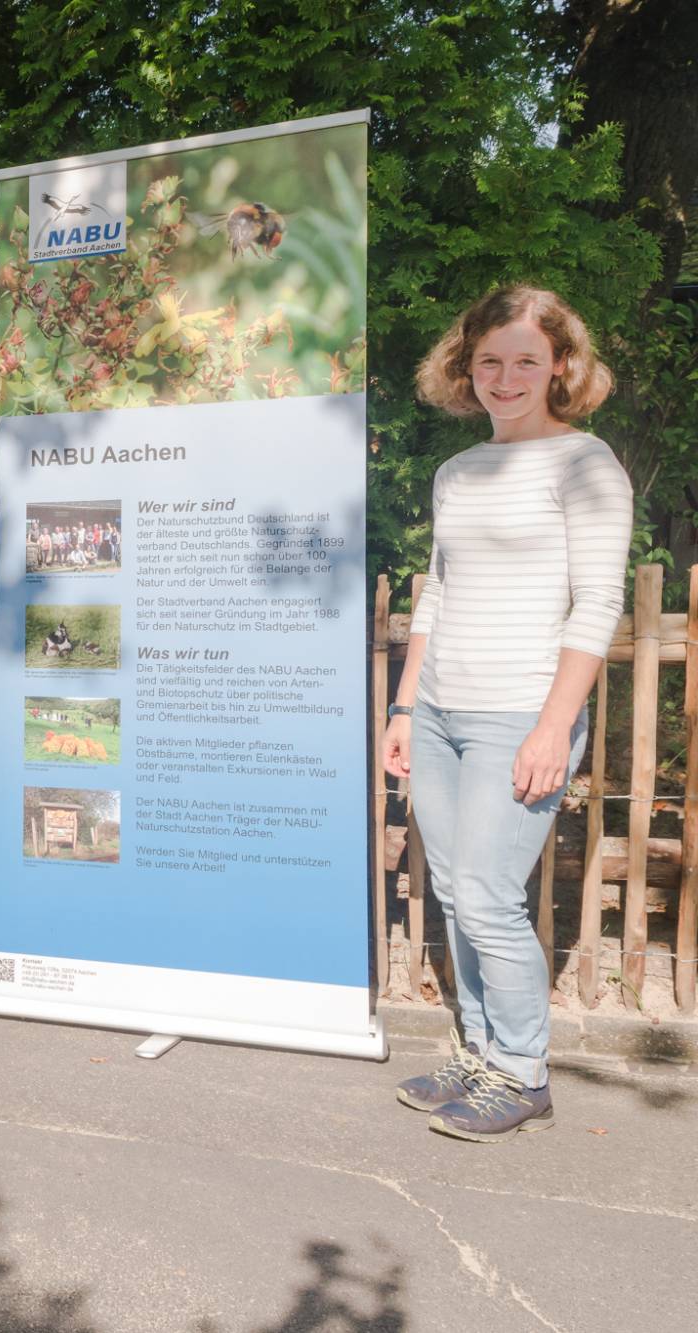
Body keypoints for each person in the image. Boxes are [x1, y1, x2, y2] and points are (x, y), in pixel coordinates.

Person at [384, 285, 632, 1141]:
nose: (506, 375)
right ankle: (481, 1051)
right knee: (455, 891)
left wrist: (553, 723)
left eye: (527, 358)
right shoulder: (457, 471)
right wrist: (407, 706)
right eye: (489, 359)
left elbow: (598, 602)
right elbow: (436, 596)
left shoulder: (586, 462)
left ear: (562, 365)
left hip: (521, 711)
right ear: (466, 367)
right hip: (445, 709)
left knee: (489, 895)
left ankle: (524, 1072)